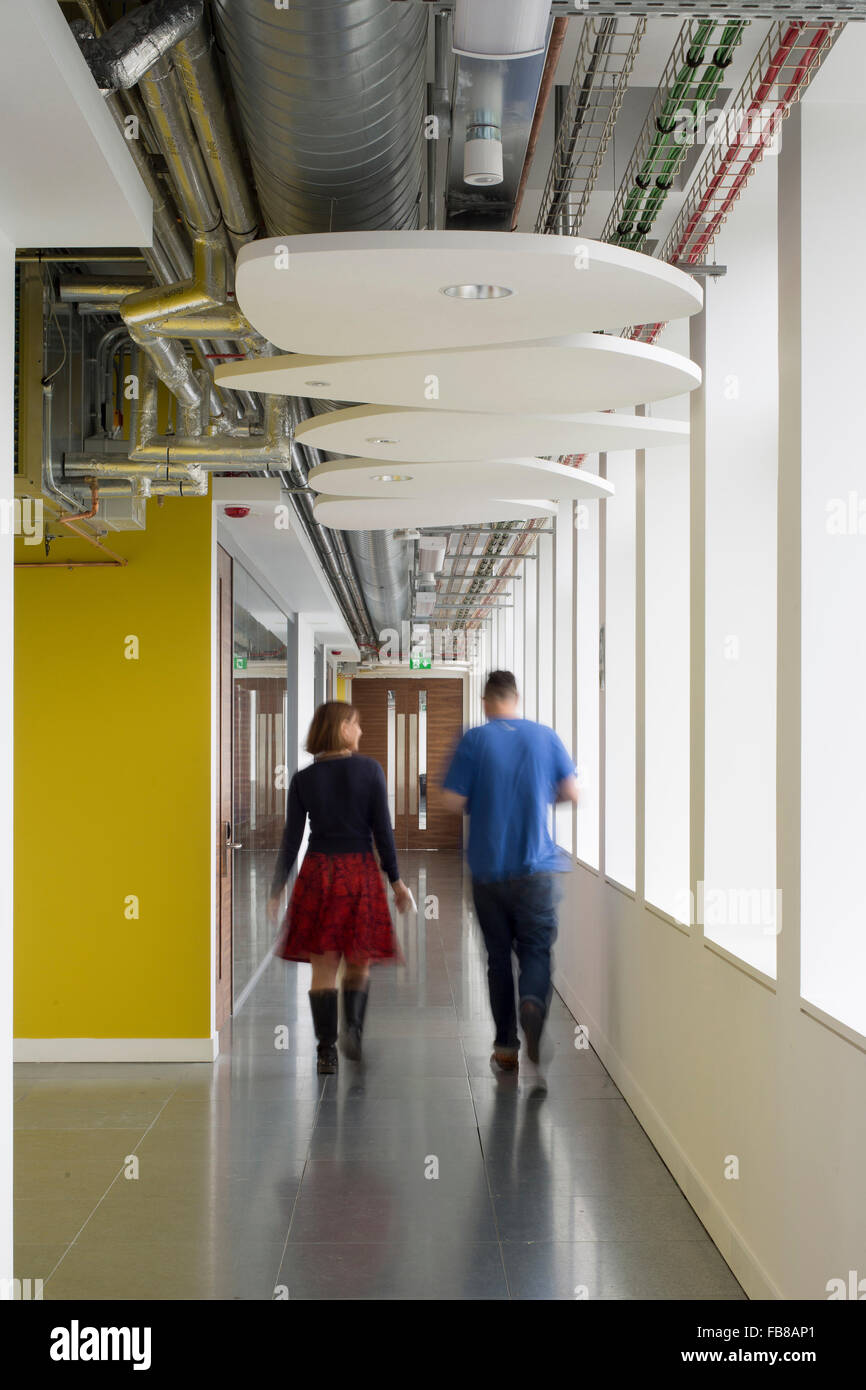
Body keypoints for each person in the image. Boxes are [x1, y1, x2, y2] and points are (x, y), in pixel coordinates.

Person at [441, 671, 578, 1089]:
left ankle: (505, 1048)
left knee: (498, 958)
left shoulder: (474, 740)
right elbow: (572, 792)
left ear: (486, 701)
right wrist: (539, 794)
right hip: (536, 869)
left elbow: (452, 800)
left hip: (489, 872)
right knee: (536, 950)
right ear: (515, 698)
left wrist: (484, 796)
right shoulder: (544, 737)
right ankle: (532, 1004)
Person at [267, 701, 411, 1074]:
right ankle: (353, 1030)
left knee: (324, 966)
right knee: (358, 961)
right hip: (359, 873)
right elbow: (383, 832)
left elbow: (291, 839)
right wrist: (396, 881)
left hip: (319, 875)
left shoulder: (303, 779)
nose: (360, 731)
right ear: (343, 728)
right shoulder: (370, 770)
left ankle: (325, 1052)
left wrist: (277, 888)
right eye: (356, 724)